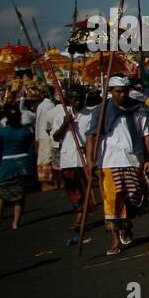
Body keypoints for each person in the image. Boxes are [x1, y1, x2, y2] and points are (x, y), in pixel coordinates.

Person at [90, 76, 149, 255]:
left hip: (132, 159)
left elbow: (146, 135)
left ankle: (126, 224)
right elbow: (91, 136)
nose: (122, 95)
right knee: (111, 200)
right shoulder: (101, 111)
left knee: (132, 197)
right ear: (110, 91)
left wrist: (148, 158)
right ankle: (114, 239)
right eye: (118, 91)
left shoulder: (139, 108)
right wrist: (90, 161)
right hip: (108, 161)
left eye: (125, 91)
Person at [50, 88, 94, 245]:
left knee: (85, 190)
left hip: (83, 157)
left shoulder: (90, 114)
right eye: (74, 99)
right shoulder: (62, 114)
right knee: (73, 191)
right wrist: (65, 124)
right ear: (69, 100)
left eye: (79, 99)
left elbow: (94, 136)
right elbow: (55, 137)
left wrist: (89, 149)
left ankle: (80, 218)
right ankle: (79, 213)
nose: (77, 102)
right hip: (68, 158)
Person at [0, 105, 34, 233]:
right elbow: (30, 149)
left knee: (0, 195)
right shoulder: (26, 131)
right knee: (19, 195)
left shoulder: (2, 132)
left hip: (7, 165)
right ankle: (15, 222)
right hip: (23, 164)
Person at [33, 91, 59, 192]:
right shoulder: (50, 105)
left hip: (41, 134)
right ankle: (45, 184)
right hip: (46, 135)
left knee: (44, 159)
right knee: (46, 160)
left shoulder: (41, 105)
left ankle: (47, 182)